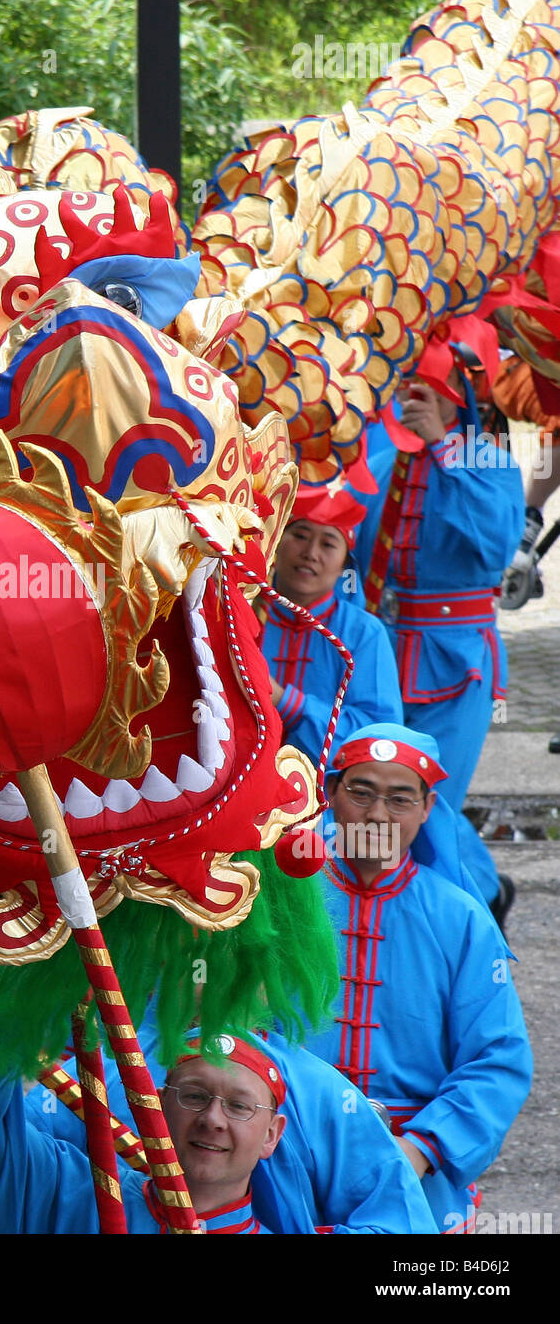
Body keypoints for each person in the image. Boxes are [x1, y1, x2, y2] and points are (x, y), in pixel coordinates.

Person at [302, 722, 533, 1233]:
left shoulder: (461, 919)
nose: (378, 814)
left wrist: (424, 1148)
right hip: (287, 1147)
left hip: (414, 1162)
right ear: (331, 794)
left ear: (428, 809)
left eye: (400, 799)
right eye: (361, 792)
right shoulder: (283, 901)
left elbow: (498, 1058)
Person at [354, 354, 524, 915]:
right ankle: (469, 897)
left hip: (458, 660)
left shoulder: (488, 461)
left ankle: (471, 906)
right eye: (412, 381)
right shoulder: (381, 461)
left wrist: (442, 449)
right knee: (392, 794)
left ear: (460, 394)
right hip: (384, 653)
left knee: (428, 801)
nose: (420, 394)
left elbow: (496, 546)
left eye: (437, 383)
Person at [26, 1018, 439, 1233]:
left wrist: (427, 1144)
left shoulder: (322, 1090)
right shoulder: (104, 1068)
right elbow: (4, 1177)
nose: (213, 1120)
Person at [0, 1033, 287, 1233]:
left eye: (239, 1106)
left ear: (271, 1134)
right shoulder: (66, 1191)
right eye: (194, 1096)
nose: (212, 1119)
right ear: (156, 1106)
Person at [263, 484, 403, 765]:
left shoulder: (363, 633)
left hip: (326, 789)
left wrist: (289, 703)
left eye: (328, 544)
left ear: (343, 566)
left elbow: (379, 737)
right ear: (275, 545)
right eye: (300, 536)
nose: (311, 553)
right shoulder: (242, 613)